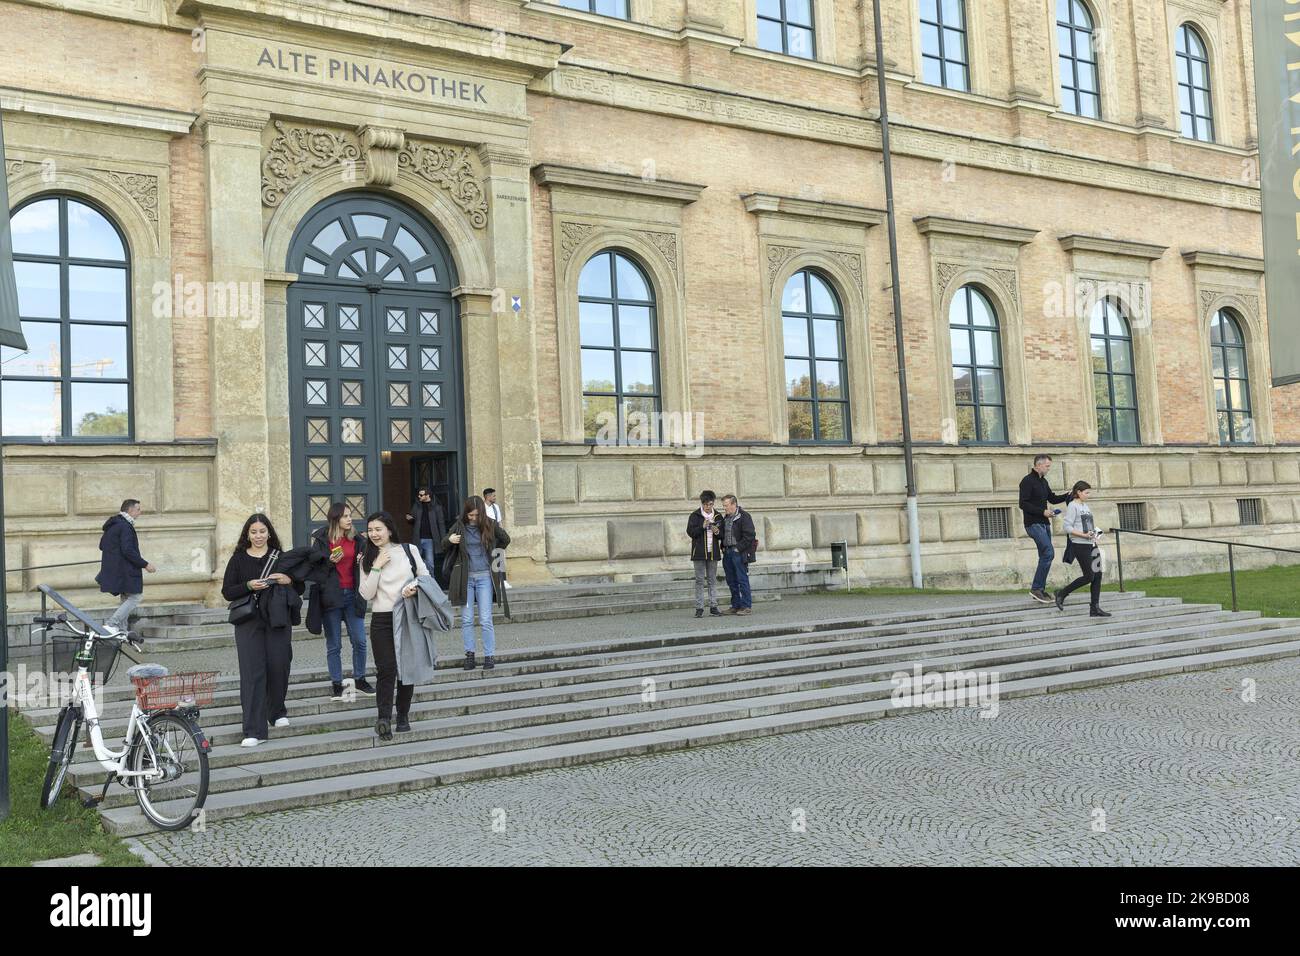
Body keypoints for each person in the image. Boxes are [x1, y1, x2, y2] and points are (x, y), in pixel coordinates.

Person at [221, 514, 303, 747]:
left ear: (269, 533)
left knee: (279, 665)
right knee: (252, 673)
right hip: (248, 621)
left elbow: (299, 585)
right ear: (247, 534)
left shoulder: (281, 557)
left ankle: (276, 711)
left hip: (277, 619)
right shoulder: (238, 559)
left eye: (262, 531)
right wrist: (248, 585)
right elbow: (227, 591)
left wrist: (288, 579)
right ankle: (253, 730)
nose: (258, 536)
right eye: (254, 532)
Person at [358, 512, 429, 739]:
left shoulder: (409, 550)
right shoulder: (367, 558)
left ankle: (403, 716)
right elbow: (367, 594)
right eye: (370, 530)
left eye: (378, 529)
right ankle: (383, 719)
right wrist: (377, 566)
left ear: (389, 529)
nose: (374, 534)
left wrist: (414, 587)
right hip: (381, 619)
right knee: (386, 669)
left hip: (407, 615)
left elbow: (425, 576)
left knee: (406, 668)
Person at [311, 502, 374, 701]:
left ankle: (360, 678)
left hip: (353, 596)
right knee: (334, 645)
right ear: (335, 519)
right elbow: (314, 567)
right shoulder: (322, 540)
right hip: (331, 597)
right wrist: (330, 560)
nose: (349, 519)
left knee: (360, 641)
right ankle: (337, 684)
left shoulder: (357, 540)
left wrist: (363, 561)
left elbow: (368, 563)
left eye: (350, 516)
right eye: (345, 516)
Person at [442, 495, 511, 671]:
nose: (473, 518)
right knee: (466, 619)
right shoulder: (459, 526)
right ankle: (470, 655)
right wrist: (450, 541)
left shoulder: (491, 524)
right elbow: (443, 544)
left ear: (481, 513)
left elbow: (505, 539)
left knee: (486, 619)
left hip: (485, 578)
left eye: (476, 515)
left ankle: (489, 656)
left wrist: (494, 554)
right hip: (465, 578)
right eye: (470, 515)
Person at [95, 498, 156, 634]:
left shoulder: (113, 525)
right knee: (135, 597)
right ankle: (112, 624)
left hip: (116, 570)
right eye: (138, 509)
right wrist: (145, 564)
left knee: (126, 598)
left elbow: (102, 545)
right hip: (124, 570)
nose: (140, 512)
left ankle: (121, 630)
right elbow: (128, 550)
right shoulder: (125, 526)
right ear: (130, 510)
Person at [1018, 453, 1071, 604]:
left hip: (1044, 523)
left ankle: (1039, 590)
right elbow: (1023, 504)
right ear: (1038, 464)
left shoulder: (1043, 482)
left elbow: (1052, 498)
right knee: (1048, 553)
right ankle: (1036, 588)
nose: (1048, 469)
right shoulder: (1027, 481)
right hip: (1033, 524)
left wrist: (1068, 495)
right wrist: (1043, 512)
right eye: (1047, 466)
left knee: (1045, 555)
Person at [1054, 481, 1112, 617]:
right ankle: (1062, 593)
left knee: (1098, 575)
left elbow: (1088, 525)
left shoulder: (1085, 506)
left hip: (1091, 543)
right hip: (1080, 544)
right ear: (1078, 492)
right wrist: (1084, 535)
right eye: (1086, 492)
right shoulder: (1073, 506)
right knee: (1089, 576)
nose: (1088, 495)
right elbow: (1067, 527)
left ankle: (1095, 608)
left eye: (1088, 492)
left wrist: (1095, 534)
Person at [686, 490, 723, 618]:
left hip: (713, 553)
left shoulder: (718, 516)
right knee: (699, 581)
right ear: (702, 504)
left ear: (713, 503)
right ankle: (699, 608)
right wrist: (702, 526)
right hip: (699, 553)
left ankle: (713, 606)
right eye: (706, 505)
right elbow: (690, 532)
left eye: (710, 504)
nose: (708, 507)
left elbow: (722, 535)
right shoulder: (695, 515)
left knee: (712, 580)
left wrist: (717, 531)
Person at [720, 494, 757, 616]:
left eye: (726, 505)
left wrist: (738, 548)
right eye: (723, 506)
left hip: (738, 553)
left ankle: (746, 606)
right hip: (727, 552)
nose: (724, 508)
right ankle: (735, 605)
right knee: (731, 580)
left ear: (734, 504)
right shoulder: (725, 518)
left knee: (742, 579)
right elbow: (722, 535)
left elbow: (750, 535)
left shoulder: (744, 516)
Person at [405, 487, 446, 585]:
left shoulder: (436, 507)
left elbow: (441, 523)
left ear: (428, 495)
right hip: (418, 538)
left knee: (430, 563)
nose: (419, 496)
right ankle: (416, 583)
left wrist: (444, 539)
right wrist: (409, 519)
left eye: (421, 495)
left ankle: (432, 584)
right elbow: (412, 520)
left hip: (430, 540)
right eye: (419, 495)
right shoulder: (417, 506)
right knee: (414, 562)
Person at [483, 487, 511, 589]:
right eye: (493, 495)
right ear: (488, 496)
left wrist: (502, 533)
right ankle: (494, 581)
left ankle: (503, 580)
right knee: (490, 558)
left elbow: (499, 523)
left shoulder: (496, 507)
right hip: (487, 535)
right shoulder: (482, 508)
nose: (495, 497)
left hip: (496, 534)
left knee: (499, 555)